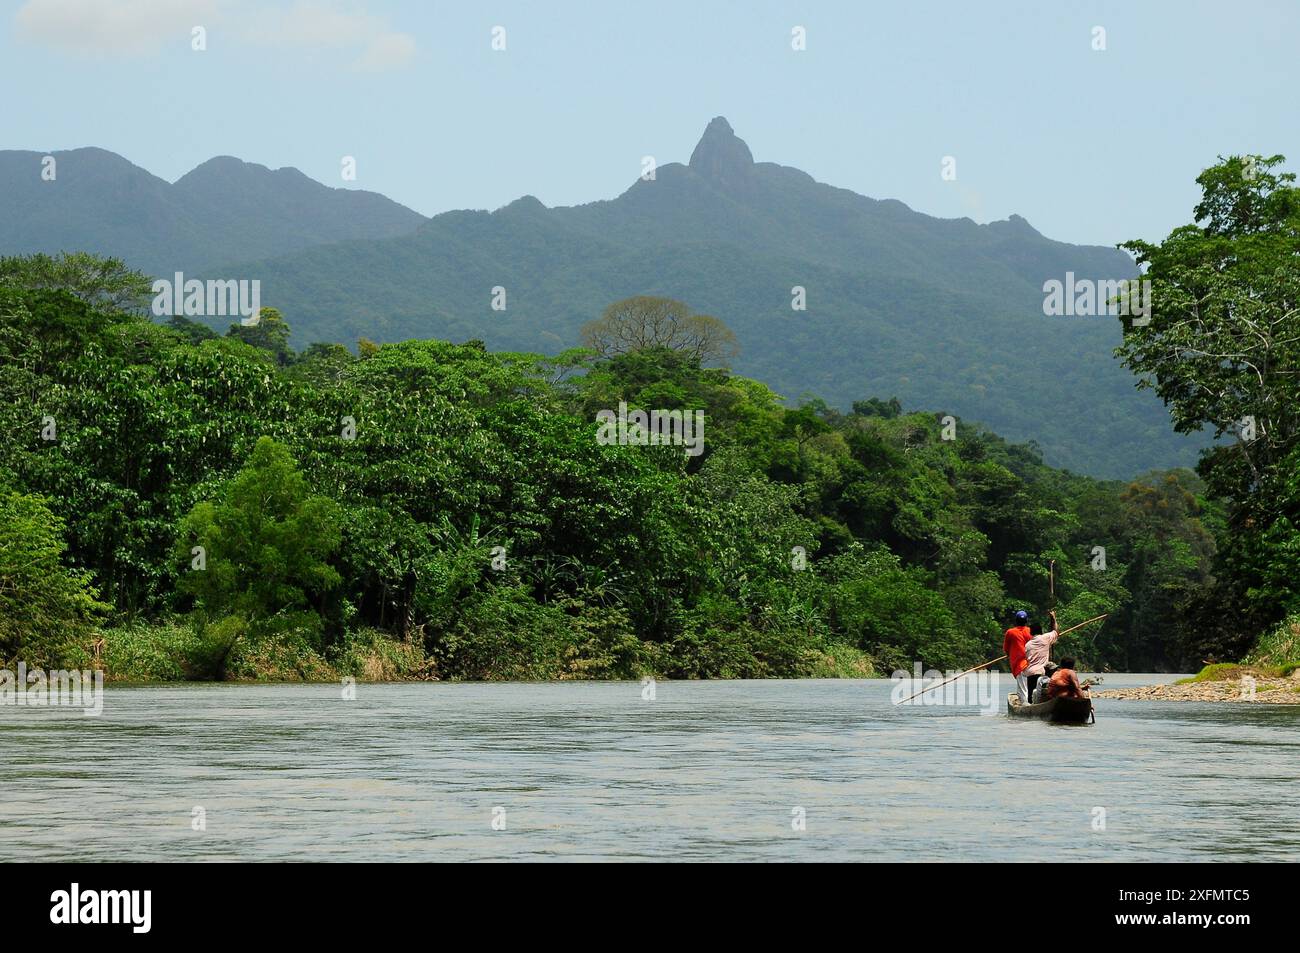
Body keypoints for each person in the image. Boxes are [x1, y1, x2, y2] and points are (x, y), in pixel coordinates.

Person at [1022, 610, 1059, 703]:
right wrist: (1053, 618)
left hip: (1030, 673)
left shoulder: (1027, 645)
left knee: (1031, 699)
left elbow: (1025, 659)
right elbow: (1056, 631)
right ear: (1041, 631)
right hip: (1043, 673)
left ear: (1031, 633)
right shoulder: (1046, 638)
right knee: (1044, 697)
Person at [1003, 610, 1034, 704]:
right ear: (1026, 621)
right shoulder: (1031, 631)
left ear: (1016, 621)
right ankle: (1031, 703)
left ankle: (1025, 705)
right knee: (1031, 687)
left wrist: (1009, 654)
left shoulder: (1010, 632)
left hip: (1020, 665)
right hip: (1032, 664)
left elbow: (1006, 649)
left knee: (1023, 690)